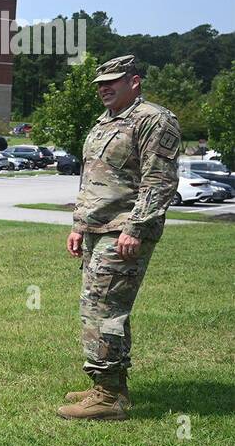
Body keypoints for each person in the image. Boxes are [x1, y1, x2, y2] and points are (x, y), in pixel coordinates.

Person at [61, 55, 180, 420]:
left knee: (105, 310)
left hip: (123, 231)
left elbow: (159, 180)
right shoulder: (105, 123)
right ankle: (108, 383)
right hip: (98, 229)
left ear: (135, 81)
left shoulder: (154, 120)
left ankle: (108, 396)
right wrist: (79, 224)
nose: (104, 88)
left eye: (113, 81)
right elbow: (94, 180)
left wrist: (136, 227)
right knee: (94, 307)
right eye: (100, 83)